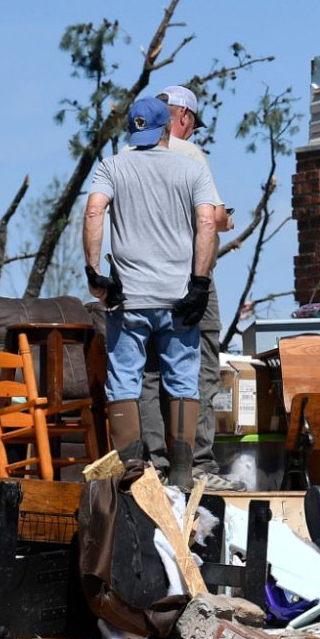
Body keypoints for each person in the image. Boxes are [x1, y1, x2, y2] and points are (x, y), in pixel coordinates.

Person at [85, 96, 219, 489]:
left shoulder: (112, 166)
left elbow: (94, 212)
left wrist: (95, 274)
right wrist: (200, 282)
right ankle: (180, 473)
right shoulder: (191, 169)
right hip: (178, 295)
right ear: (166, 128)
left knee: (124, 381)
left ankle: (132, 473)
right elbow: (208, 222)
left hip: (128, 297)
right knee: (182, 380)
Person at [144, 83, 240, 491]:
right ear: (182, 116)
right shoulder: (189, 153)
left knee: (149, 369)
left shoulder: (126, 156)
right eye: (193, 124)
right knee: (200, 363)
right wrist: (225, 219)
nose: (193, 131)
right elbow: (212, 217)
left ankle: (152, 466)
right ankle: (197, 464)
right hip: (187, 273)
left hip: (140, 276)